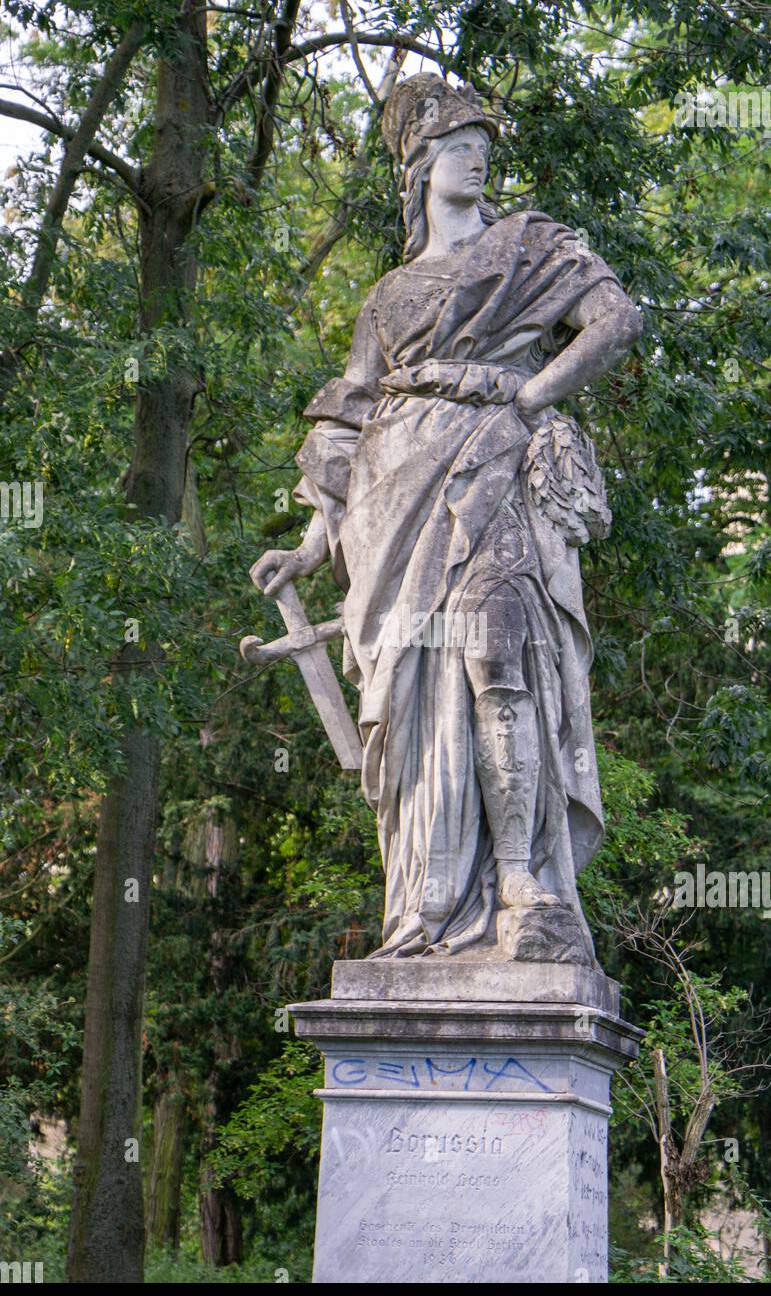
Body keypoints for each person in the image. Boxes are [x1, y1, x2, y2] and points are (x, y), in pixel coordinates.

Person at [250, 74, 642, 963]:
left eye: (483, 146)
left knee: (499, 657)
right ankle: (427, 898)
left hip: (493, 470)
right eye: (457, 144)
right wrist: (312, 543)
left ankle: (522, 884)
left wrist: (528, 400)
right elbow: (346, 418)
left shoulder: (529, 247)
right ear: (418, 163)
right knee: (414, 698)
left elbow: (614, 322)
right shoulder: (388, 296)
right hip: (395, 495)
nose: (475, 158)